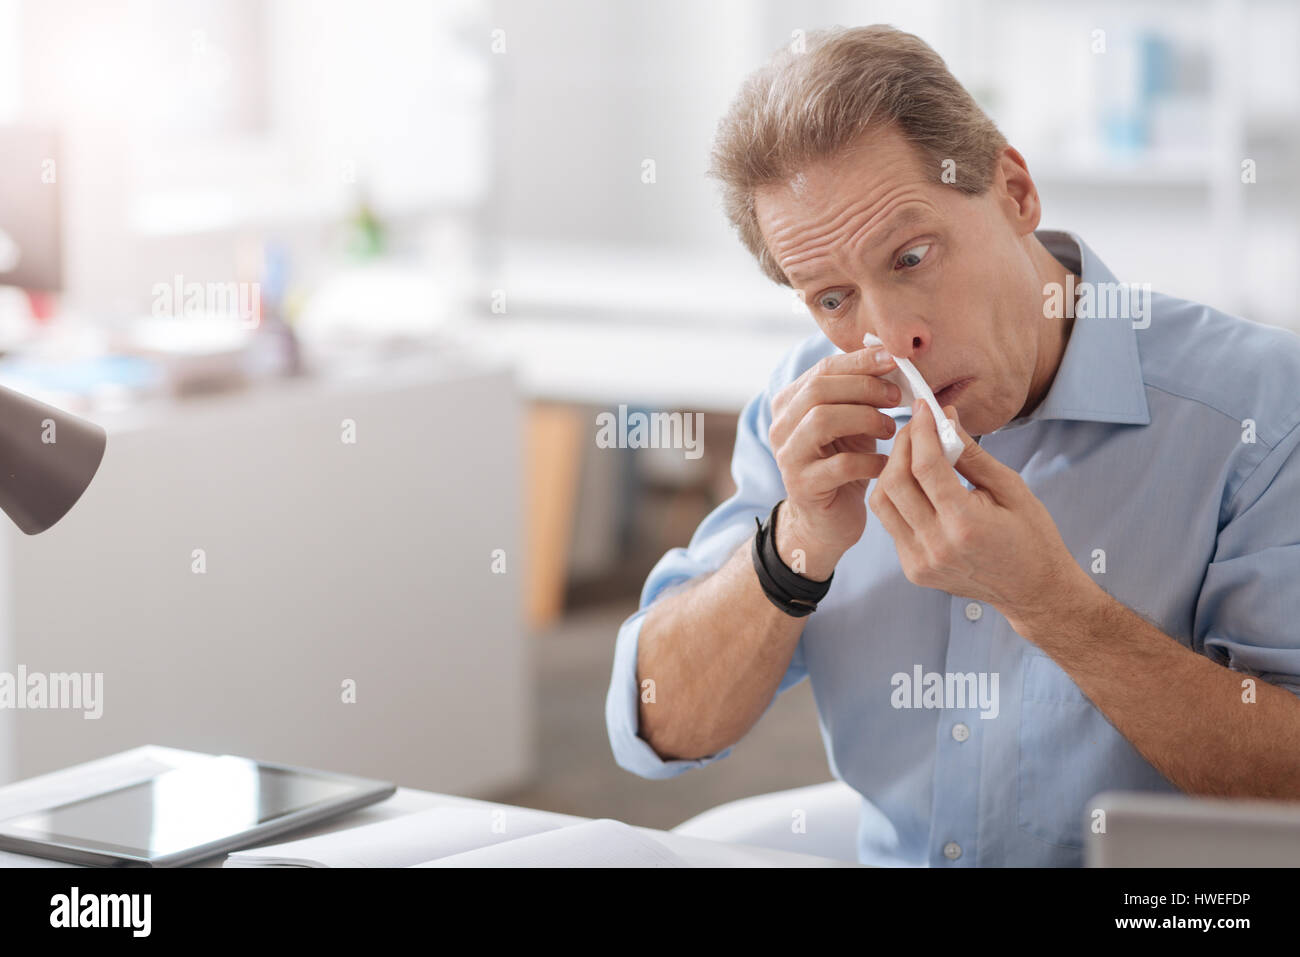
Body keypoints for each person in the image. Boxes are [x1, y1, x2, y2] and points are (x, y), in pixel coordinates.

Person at [604, 24, 1300, 866]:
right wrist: (793, 549)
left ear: (1015, 191)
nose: (893, 337)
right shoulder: (808, 410)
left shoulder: (1261, 412)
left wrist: (1051, 605)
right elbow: (657, 726)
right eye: (832, 298)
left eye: (911, 255)